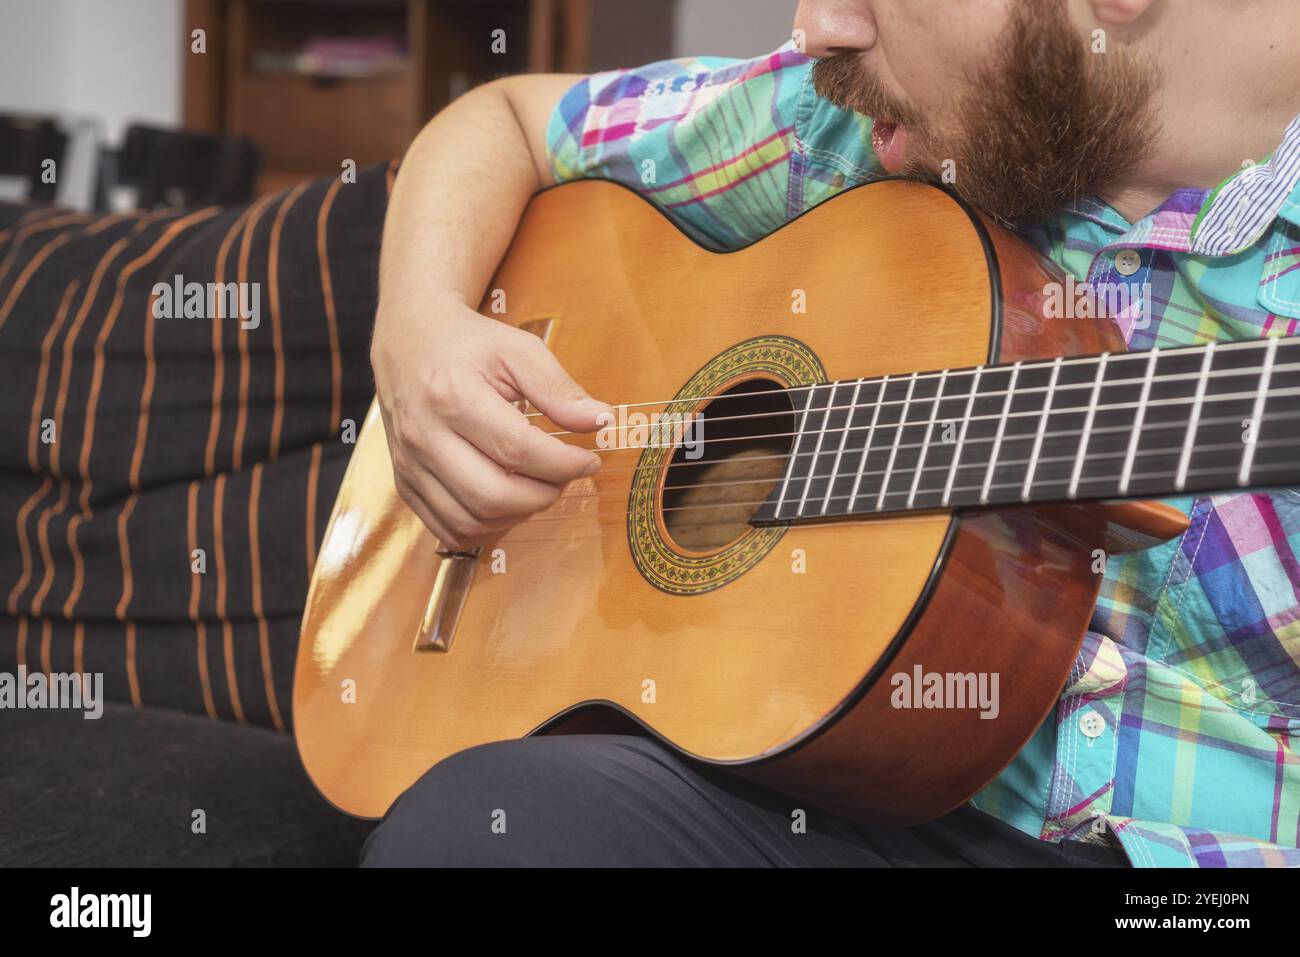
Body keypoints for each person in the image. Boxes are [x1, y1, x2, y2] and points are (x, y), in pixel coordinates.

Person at [360, 0, 1300, 867]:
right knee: (487, 832)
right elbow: (509, 121)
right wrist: (418, 329)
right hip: (844, 801)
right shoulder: (866, 124)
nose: (817, 26)